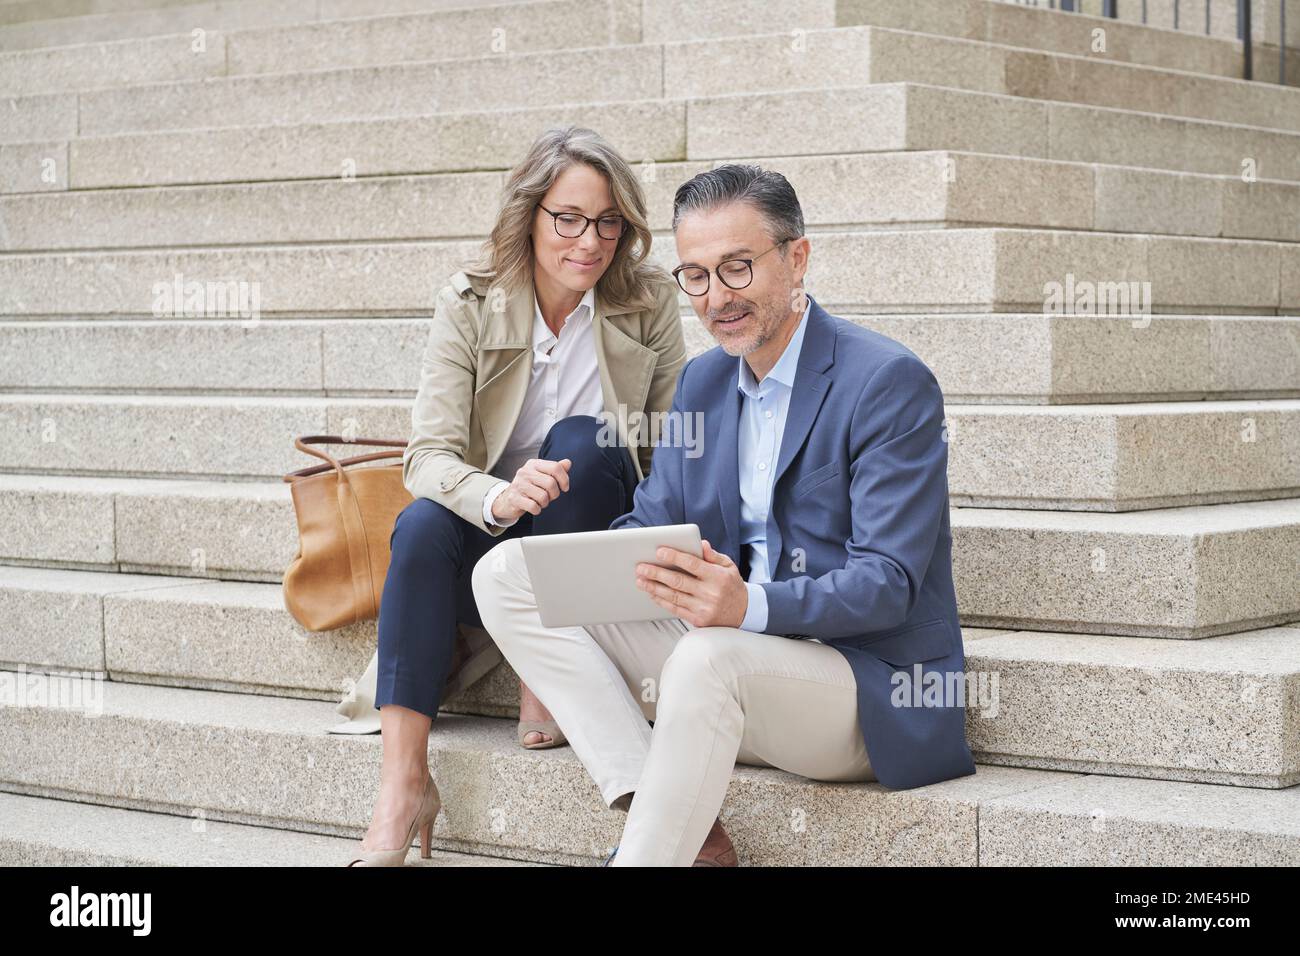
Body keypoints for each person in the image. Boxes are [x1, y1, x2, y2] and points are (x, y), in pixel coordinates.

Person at [471, 163, 976, 866]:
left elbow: (888, 581)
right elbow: (652, 522)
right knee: (504, 573)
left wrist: (748, 604)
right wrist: (601, 567)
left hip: (862, 689)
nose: (716, 299)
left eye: (737, 269)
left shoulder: (886, 382)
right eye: (697, 276)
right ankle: (673, 820)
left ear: (796, 257)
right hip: (731, 666)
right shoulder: (704, 384)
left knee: (710, 654)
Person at [340, 126, 686, 866]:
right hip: (488, 531)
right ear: (529, 215)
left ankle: (545, 665)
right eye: (567, 218)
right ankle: (404, 786)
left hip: (591, 528)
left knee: (585, 443)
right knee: (423, 524)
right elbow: (426, 458)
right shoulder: (470, 304)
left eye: (607, 222)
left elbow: (669, 447)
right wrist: (497, 496)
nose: (588, 242)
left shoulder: (647, 302)